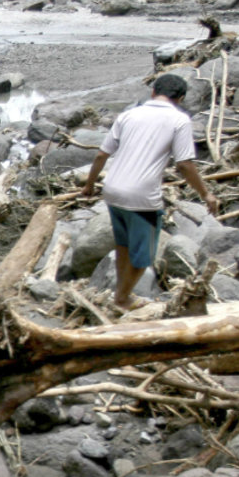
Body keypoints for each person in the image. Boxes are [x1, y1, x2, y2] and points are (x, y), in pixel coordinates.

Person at [80, 72, 220, 310]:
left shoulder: (128, 115)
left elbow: (101, 154)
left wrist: (90, 184)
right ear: (181, 97)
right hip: (141, 196)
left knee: (123, 246)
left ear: (153, 91)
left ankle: (121, 294)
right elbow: (184, 164)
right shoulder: (179, 120)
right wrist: (206, 194)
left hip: (113, 190)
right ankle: (122, 298)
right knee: (144, 257)